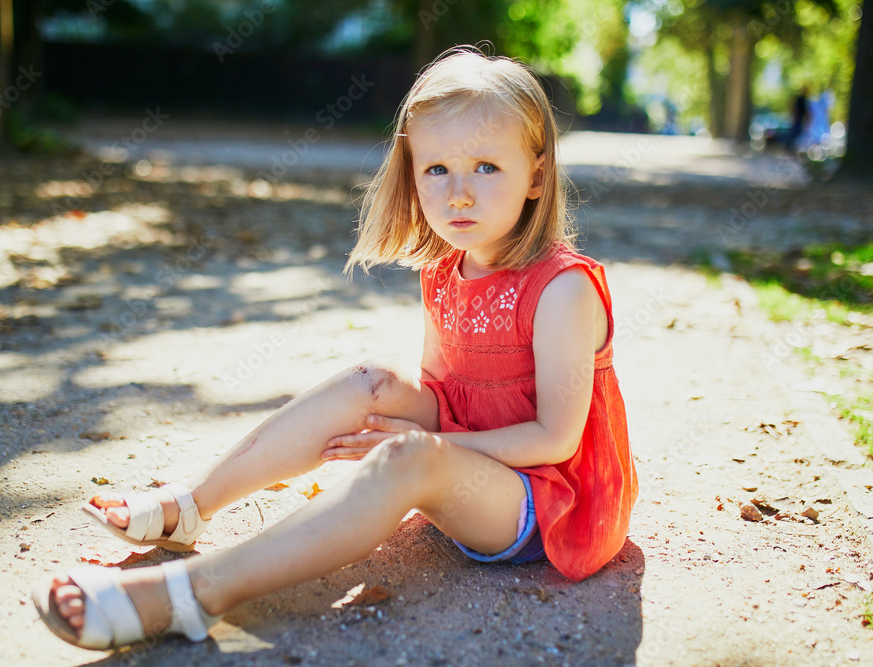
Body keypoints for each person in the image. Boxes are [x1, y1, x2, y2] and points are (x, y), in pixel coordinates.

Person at [33, 47, 638, 650]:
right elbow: (444, 392)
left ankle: (192, 594)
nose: (457, 194)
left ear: (535, 174)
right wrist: (406, 421)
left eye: (486, 167)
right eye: (436, 169)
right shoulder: (446, 267)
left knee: (408, 457)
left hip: (548, 503)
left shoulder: (562, 288)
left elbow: (554, 439)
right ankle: (190, 505)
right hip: (475, 461)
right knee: (371, 380)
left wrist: (424, 448)